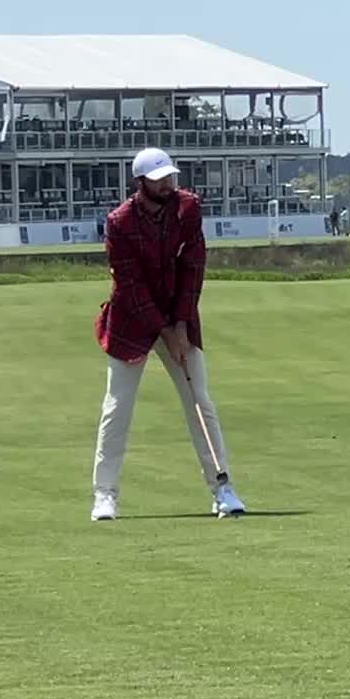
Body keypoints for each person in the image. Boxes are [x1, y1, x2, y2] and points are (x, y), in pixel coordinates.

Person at [89, 147, 247, 521]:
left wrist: (179, 326)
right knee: (117, 408)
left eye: (170, 177)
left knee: (200, 402)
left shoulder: (188, 208)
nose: (168, 184)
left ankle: (222, 488)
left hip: (180, 315)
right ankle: (104, 494)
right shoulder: (119, 222)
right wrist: (162, 328)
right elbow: (130, 284)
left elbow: (193, 266)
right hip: (132, 320)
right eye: (159, 180)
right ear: (141, 182)